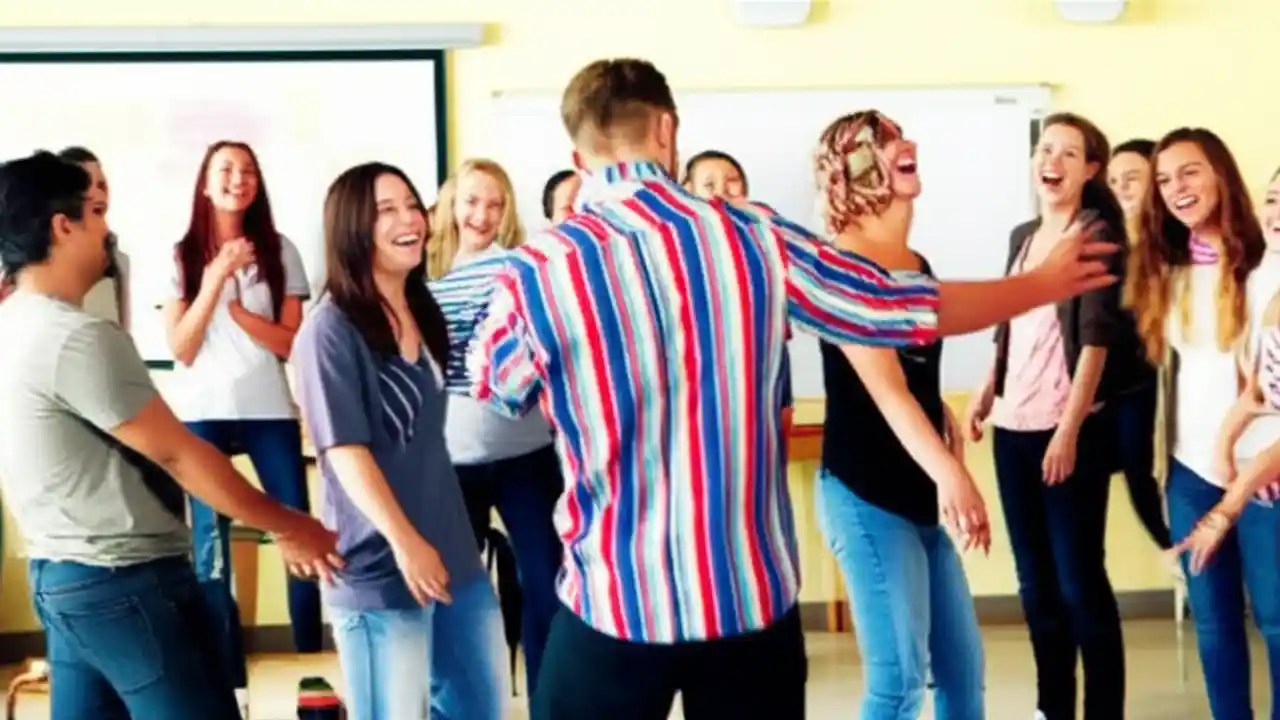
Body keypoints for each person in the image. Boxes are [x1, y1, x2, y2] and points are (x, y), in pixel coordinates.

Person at [463, 57, 1118, 720]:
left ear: (578, 156)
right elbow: (897, 307)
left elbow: (494, 387)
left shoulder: (537, 271)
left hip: (615, 601)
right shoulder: (754, 236)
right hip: (746, 600)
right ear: (668, 129)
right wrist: (1039, 285)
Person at [0, 150, 340, 720]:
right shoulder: (76, 336)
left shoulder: (14, 323)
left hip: (62, 577)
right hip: (124, 582)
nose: (107, 231)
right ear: (63, 226)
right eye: (96, 213)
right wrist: (292, 525)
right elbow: (181, 456)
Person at [291, 161, 507, 720]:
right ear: (351, 227)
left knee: (479, 708)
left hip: (453, 553)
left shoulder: (422, 306)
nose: (410, 219)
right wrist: (405, 541)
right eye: (387, 210)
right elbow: (343, 451)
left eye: (413, 205)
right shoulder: (329, 328)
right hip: (379, 564)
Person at [810, 111, 988, 720]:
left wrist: (942, 425)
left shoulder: (914, 260)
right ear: (853, 170)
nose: (903, 145)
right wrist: (953, 476)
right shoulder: (848, 264)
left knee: (963, 682)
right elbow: (884, 392)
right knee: (898, 686)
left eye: (900, 135)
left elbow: (909, 370)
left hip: (916, 497)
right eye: (880, 144)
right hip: (866, 498)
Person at [965, 113, 1137, 720]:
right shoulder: (1024, 235)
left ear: (1091, 169)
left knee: (1079, 583)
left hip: (1069, 434)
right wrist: (989, 387)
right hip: (1014, 428)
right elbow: (1014, 321)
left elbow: (1095, 341)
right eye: (1045, 148)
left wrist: (1067, 430)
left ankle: (1104, 711)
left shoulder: (1096, 237)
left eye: (1069, 152)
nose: (1053, 161)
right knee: (1035, 585)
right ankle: (1052, 707)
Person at [161, 140, 322, 712]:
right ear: (205, 183)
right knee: (211, 548)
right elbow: (181, 348)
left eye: (248, 170)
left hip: (270, 412)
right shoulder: (182, 253)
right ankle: (225, 677)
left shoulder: (283, 250)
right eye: (226, 170)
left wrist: (240, 314)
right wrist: (217, 277)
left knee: (296, 532)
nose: (238, 179)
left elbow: (292, 344)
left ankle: (311, 668)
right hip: (202, 411)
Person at [1127, 128, 1275, 720]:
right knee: (1213, 622)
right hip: (1190, 471)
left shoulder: (1269, 264)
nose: (1175, 188)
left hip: (1264, 471)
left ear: (1220, 174)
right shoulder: (1171, 270)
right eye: (1164, 180)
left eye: (1188, 172)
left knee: (1276, 617)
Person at [427, 157, 561, 699]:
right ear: (451, 205)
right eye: (472, 201)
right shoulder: (423, 274)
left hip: (525, 453)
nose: (482, 214)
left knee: (546, 581)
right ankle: (470, 699)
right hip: (450, 458)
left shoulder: (519, 266)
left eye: (495, 203)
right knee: (459, 591)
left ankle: (551, 698)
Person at [683, 149, 796, 446]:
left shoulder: (767, 240)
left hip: (765, 383)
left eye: (732, 181)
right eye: (709, 184)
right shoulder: (681, 255)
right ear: (687, 192)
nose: (721, 191)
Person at [1104, 139, 1174, 554]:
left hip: (1158, 386)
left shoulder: (1176, 249)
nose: (1121, 189)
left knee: (1146, 472)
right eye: (1113, 181)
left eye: (1132, 179)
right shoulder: (1104, 245)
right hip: (1113, 388)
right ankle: (1180, 554)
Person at [57, 147, 131, 331]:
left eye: (101, 185)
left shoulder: (118, 258)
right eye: (86, 185)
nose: (98, 194)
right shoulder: (45, 255)